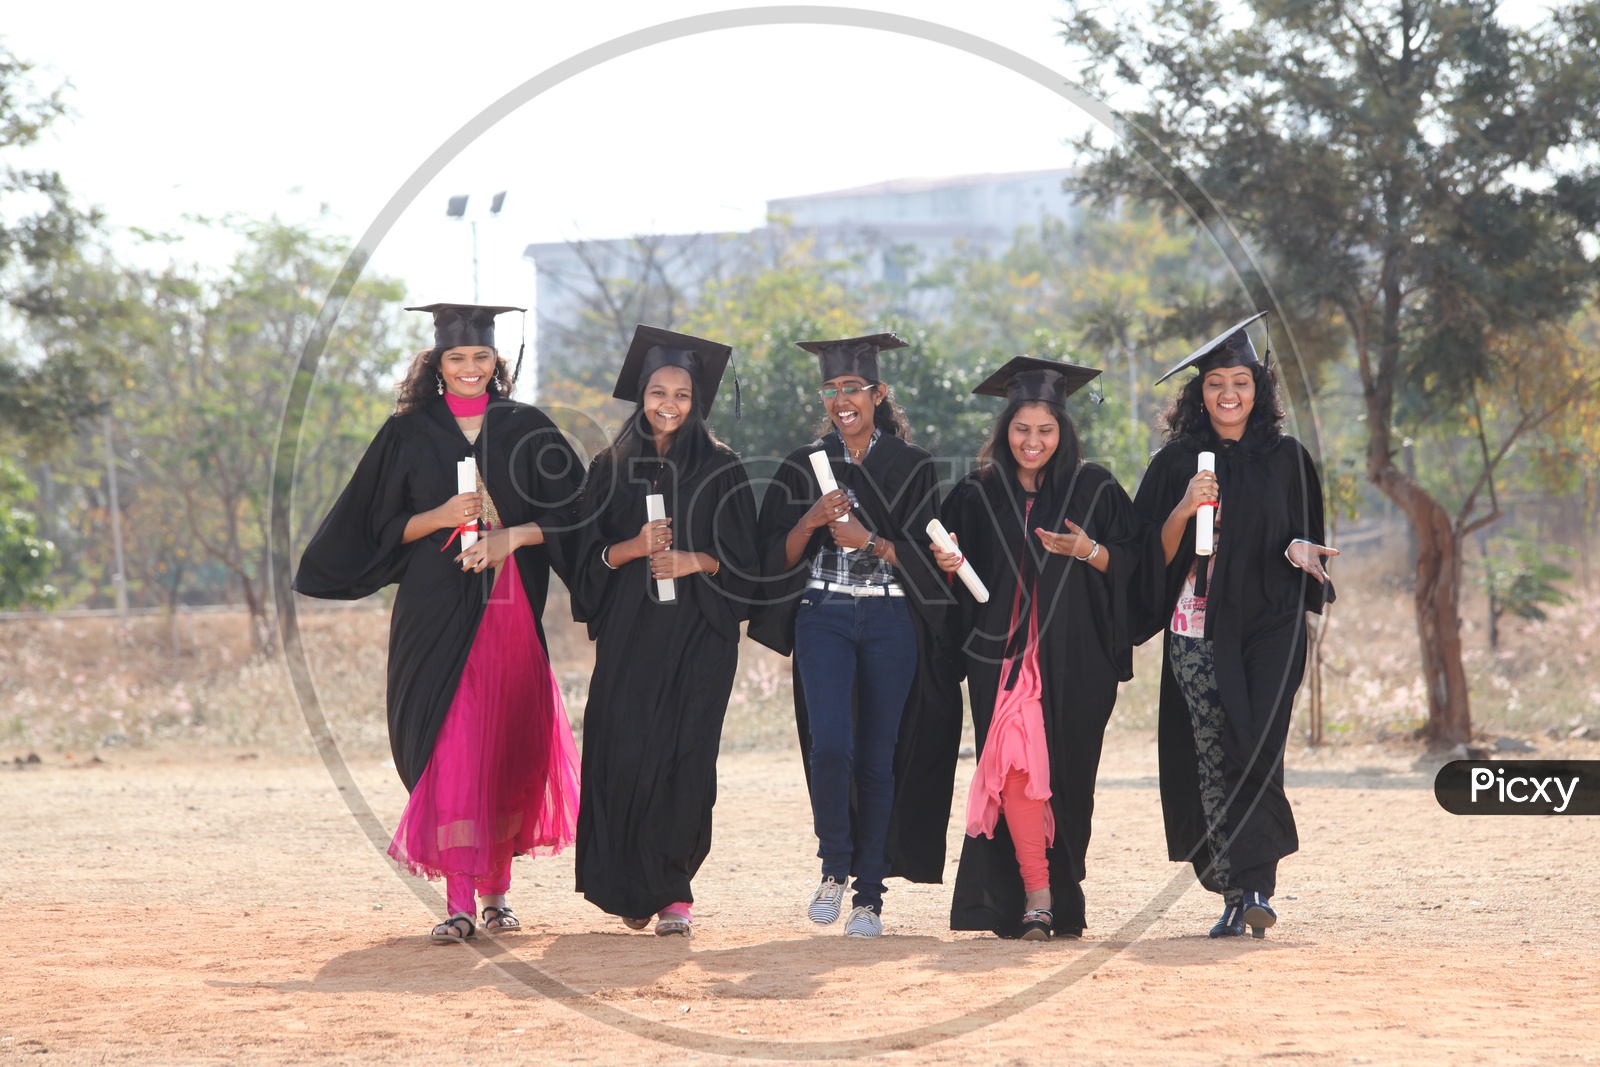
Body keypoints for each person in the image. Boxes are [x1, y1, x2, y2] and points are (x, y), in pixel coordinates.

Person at [294, 303, 583, 944]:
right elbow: (374, 524)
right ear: (437, 363)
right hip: (435, 607)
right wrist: (440, 515)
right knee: (453, 747)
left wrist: (509, 537)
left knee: (503, 744)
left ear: (496, 362)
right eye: (457, 358)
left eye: (481, 357)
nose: (470, 368)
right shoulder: (408, 433)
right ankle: (457, 902)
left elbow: (576, 516)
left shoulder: (529, 428)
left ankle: (496, 897)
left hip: (508, 609)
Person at [934, 358, 1157, 940]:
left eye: (1046, 430)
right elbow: (949, 583)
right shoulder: (976, 492)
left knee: (1067, 783)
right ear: (1004, 431)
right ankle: (1032, 897)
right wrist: (948, 566)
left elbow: (1138, 568)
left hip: (1074, 664)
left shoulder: (1096, 488)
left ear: (1064, 432)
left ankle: (1059, 898)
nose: (1032, 442)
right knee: (1013, 772)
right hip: (1002, 665)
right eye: (1021, 429)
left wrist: (1089, 550)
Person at [1133, 312, 1337, 939]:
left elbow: (1309, 539)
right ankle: (1235, 888)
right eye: (1216, 382)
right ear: (1199, 393)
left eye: (1241, 382)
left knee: (1260, 744)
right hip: (1197, 629)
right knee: (1216, 752)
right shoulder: (1175, 463)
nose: (1229, 394)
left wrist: (1303, 552)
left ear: (1260, 388)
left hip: (1272, 625)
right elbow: (1147, 555)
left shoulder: (1289, 459)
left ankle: (1256, 885)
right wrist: (1186, 505)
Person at [749, 333, 957, 939]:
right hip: (824, 615)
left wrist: (872, 542)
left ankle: (870, 894)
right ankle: (833, 867)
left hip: (891, 619)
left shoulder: (912, 466)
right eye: (833, 390)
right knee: (831, 746)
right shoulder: (804, 463)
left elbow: (926, 556)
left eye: (854, 389)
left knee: (877, 757)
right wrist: (812, 519)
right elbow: (775, 558)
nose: (843, 400)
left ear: (878, 393)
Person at [569, 325, 759, 938]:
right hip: (631, 635)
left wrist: (693, 560)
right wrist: (631, 547)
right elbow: (584, 561)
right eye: (657, 391)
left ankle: (675, 889)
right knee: (621, 751)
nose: (669, 403)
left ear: (696, 400)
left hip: (700, 637)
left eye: (681, 393)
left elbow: (749, 562)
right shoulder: (610, 465)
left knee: (685, 759)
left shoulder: (722, 467)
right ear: (641, 395)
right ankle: (630, 885)